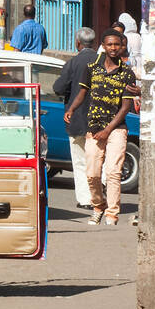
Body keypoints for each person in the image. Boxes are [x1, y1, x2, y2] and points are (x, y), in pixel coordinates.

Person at [64, 28, 138, 225]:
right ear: (103, 47)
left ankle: (111, 214)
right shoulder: (92, 68)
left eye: (117, 44)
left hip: (116, 128)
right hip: (94, 128)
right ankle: (98, 205)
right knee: (92, 173)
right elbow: (82, 92)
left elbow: (125, 107)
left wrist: (108, 130)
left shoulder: (127, 73)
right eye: (109, 44)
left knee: (113, 172)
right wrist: (71, 109)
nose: (113, 48)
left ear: (122, 47)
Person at [53, 27, 99, 209]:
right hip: (100, 120)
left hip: (77, 119)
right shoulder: (102, 62)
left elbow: (58, 87)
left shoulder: (73, 63)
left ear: (78, 43)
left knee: (80, 161)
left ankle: (85, 199)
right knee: (97, 160)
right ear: (93, 43)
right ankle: (98, 197)